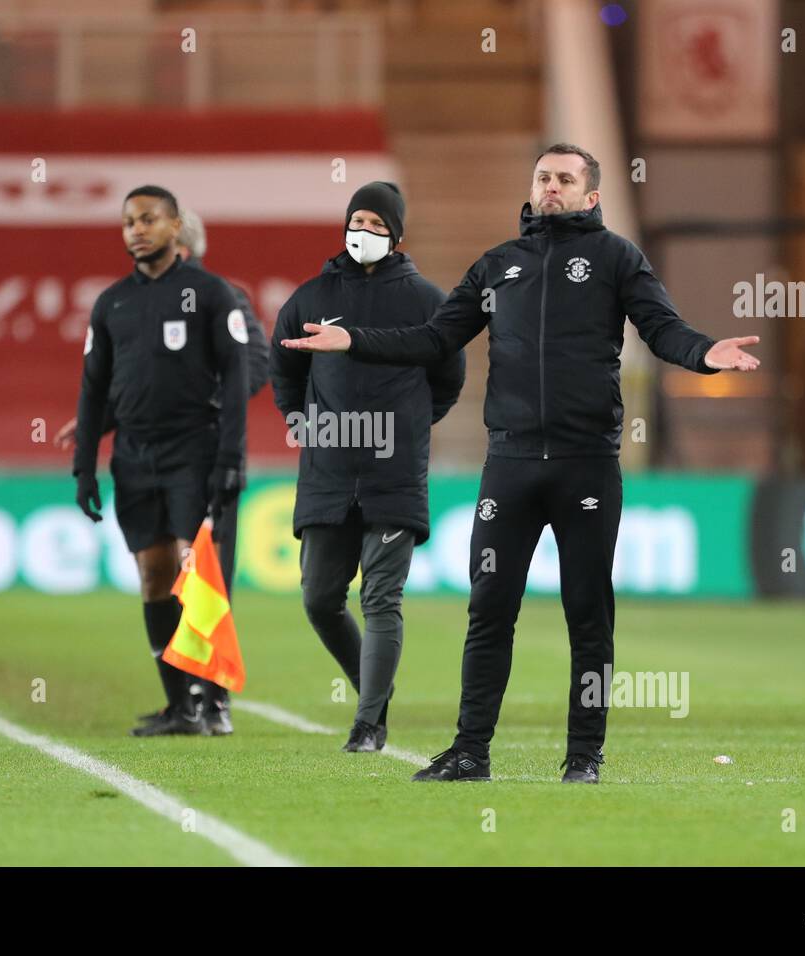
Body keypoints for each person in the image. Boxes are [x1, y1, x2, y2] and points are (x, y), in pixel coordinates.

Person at [281, 144, 761, 782]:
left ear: (591, 196)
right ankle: (470, 751)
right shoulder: (497, 267)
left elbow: (661, 329)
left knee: (588, 612)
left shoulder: (617, 258)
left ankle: (584, 757)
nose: (552, 187)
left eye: (566, 179)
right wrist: (353, 340)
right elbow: (434, 338)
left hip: (585, 463)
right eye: (544, 177)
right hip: (507, 464)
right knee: (489, 610)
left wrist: (705, 354)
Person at [57, 208, 269, 735]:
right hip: (140, 458)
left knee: (201, 573)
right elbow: (138, 382)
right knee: (160, 573)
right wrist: (96, 425)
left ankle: (213, 700)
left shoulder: (223, 296)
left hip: (202, 453)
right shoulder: (127, 300)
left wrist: (204, 407)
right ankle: (182, 703)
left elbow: (256, 365)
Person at [270, 182, 465, 751]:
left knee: (381, 597)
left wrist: (406, 427)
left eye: (380, 225)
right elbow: (285, 366)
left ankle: (369, 722)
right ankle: (371, 691)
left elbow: (448, 377)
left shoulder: (428, 301)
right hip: (327, 472)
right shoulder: (309, 297)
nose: (367, 233)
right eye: (359, 221)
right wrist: (296, 417)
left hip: (394, 472)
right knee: (319, 598)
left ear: (397, 235)